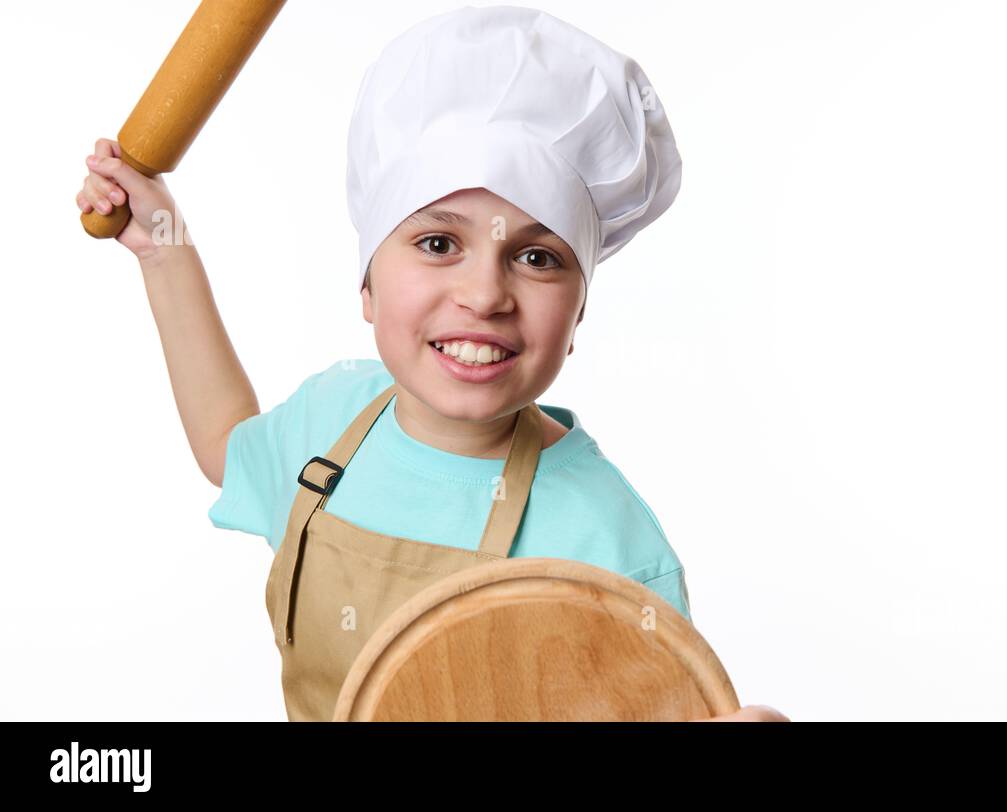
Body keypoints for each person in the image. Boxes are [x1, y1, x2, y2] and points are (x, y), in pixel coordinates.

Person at [76, 5, 786, 723]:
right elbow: (227, 446)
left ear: (577, 316)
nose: (484, 295)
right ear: (366, 286)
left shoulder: (609, 543)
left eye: (537, 257)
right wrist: (164, 248)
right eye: (439, 244)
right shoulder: (333, 421)